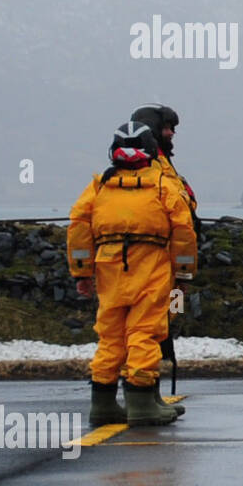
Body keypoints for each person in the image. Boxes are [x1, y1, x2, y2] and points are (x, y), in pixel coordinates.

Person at [67, 121, 198, 426]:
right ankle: (141, 405)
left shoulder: (100, 186)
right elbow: (183, 232)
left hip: (109, 266)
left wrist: (82, 273)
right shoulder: (163, 185)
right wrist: (184, 275)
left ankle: (102, 404)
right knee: (144, 331)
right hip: (150, 265)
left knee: (111, 335)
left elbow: (78, 227)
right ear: (151, 150)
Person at [131, 103, 199, 412]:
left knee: (168, 320)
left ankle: (152, 391)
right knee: (153, 327)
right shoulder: (151, 168)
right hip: (162, 265)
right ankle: (145, 394)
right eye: (168, 128)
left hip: (172, 264)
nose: (172, 133)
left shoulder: (162, 164)